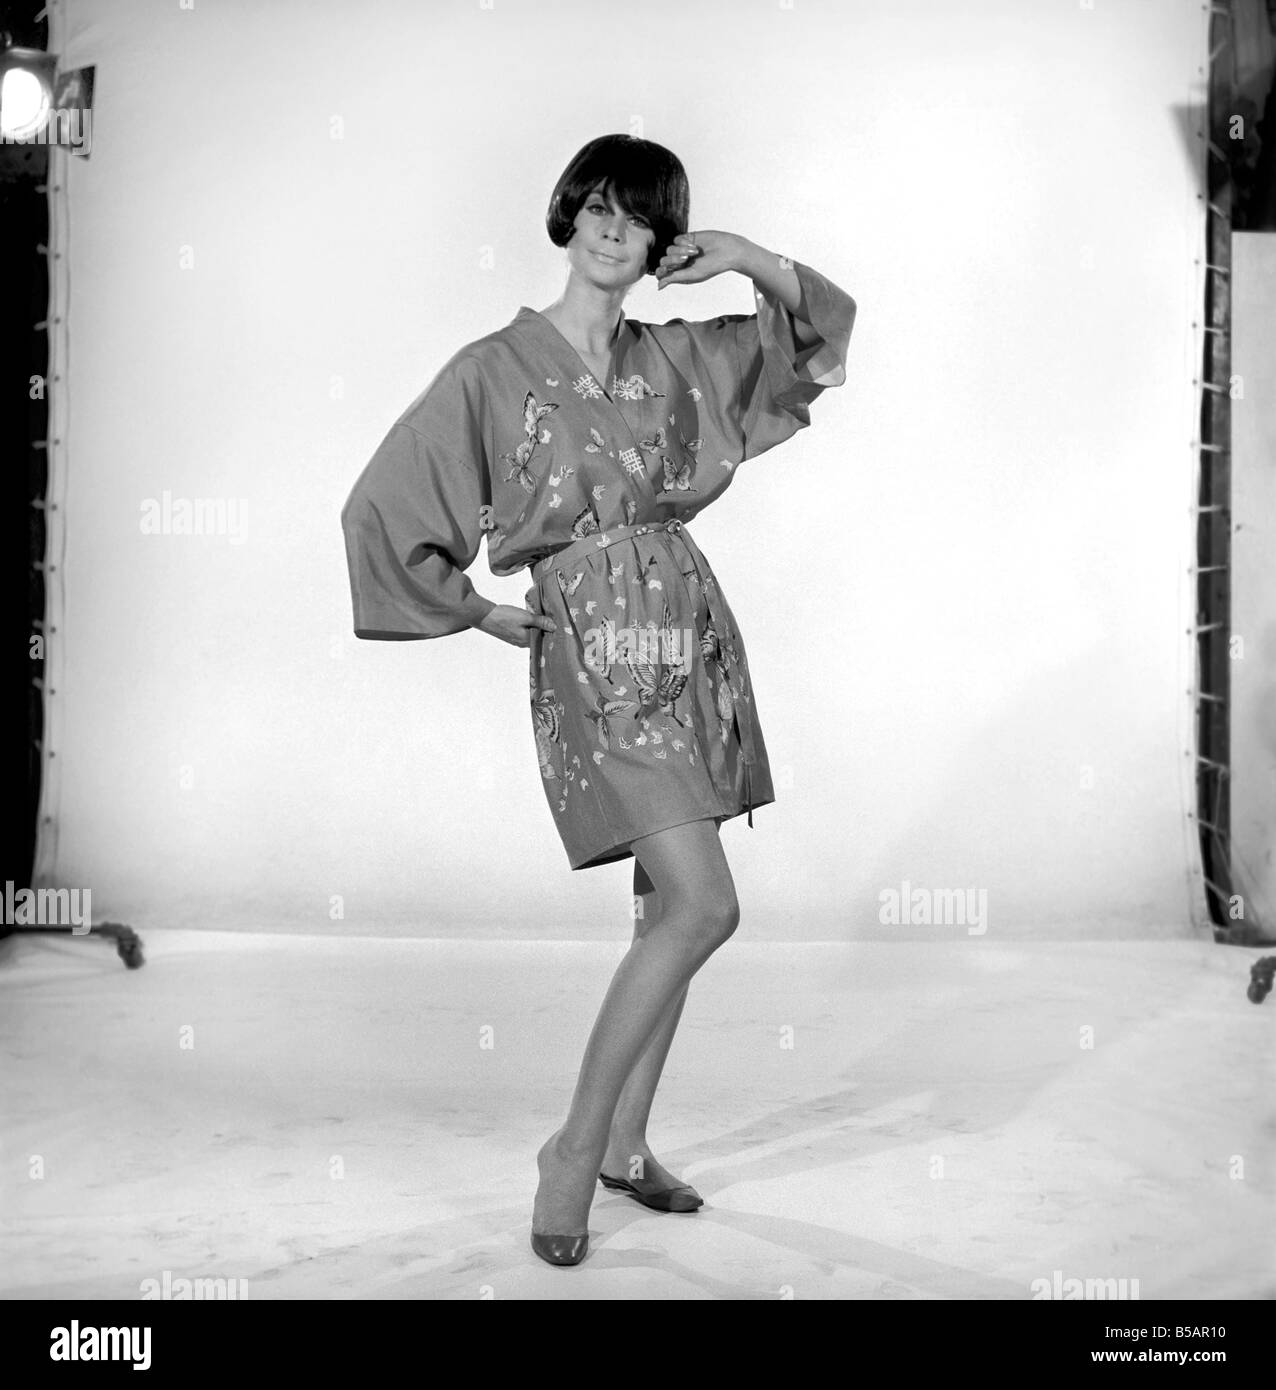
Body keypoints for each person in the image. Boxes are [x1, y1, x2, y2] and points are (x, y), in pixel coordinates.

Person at [341, 134, 856, 1266]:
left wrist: (749, 258)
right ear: (568, 218)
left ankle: (626, 1145)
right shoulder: (491, 370)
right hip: (590, 650)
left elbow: (818, 345)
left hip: (683, 637)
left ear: (664, 239)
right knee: (702, 906)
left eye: (643, 215)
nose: (615, 229)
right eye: (599, 208)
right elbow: (380, 510)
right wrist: (477, 609)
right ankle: (571, 1149)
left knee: (659, 909)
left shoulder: (679, 361)